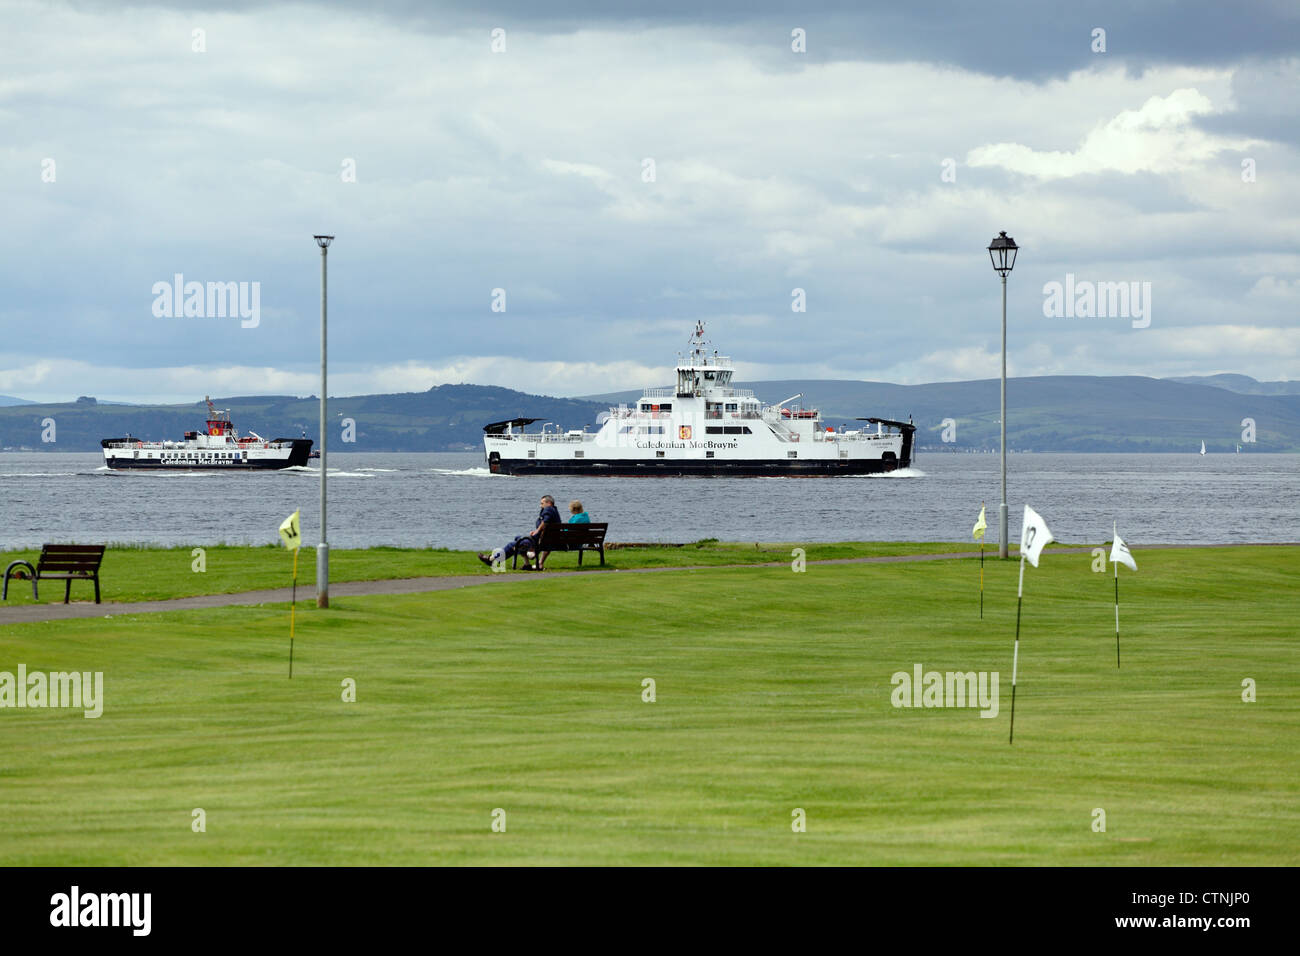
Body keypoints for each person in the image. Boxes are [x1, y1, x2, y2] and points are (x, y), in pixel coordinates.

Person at [478, 495, 561, 570]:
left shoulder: (549, 509)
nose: (540, 506)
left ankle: (492, 559)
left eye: (542, 503)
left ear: (549, 503)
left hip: (538, 541)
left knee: (513, 545)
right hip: (546, 540)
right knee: (518, 538)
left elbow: (546, 521)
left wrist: (537, 530)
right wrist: (537, 531)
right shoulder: (555, 511)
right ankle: (527, 563)